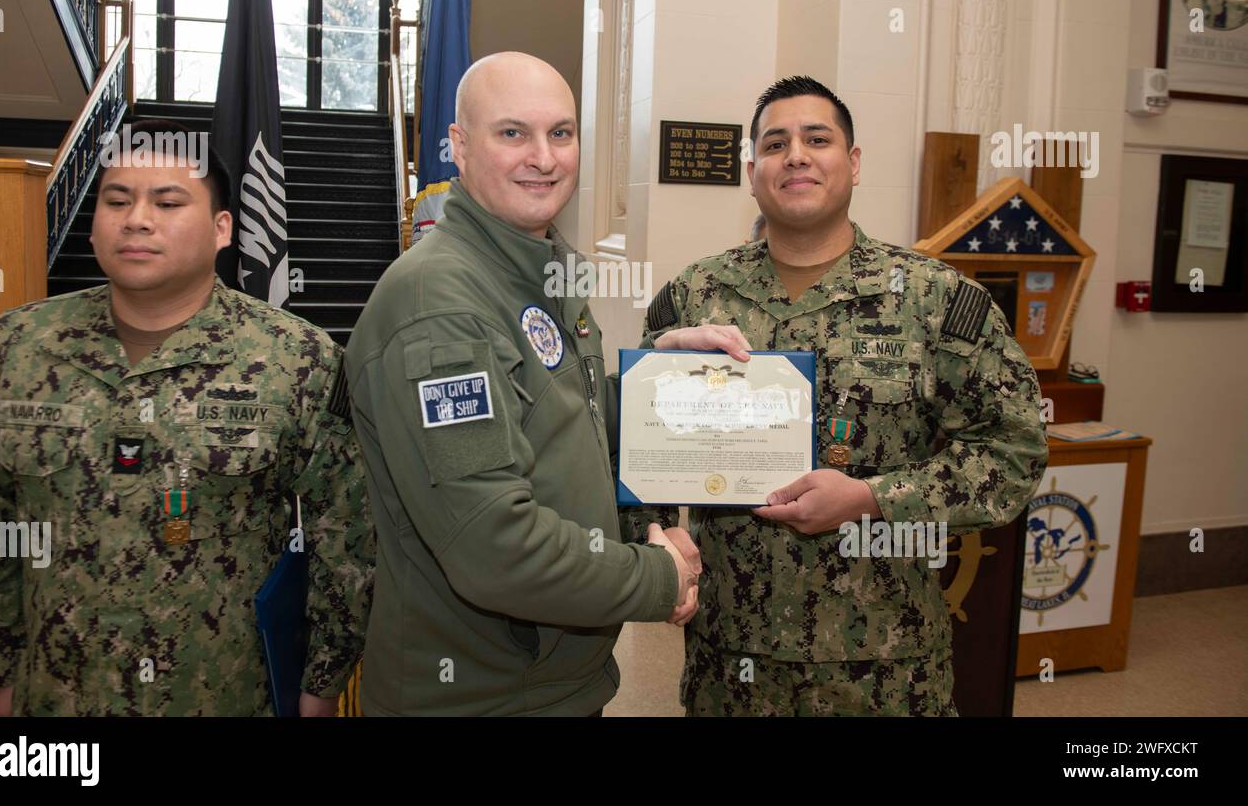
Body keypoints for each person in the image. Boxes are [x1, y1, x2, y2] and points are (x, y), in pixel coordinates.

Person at [636, 76, 1048, 716]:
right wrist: (656, 542)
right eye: (775, 143)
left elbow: (1015, 452)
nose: (795, 154)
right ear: (753, 172)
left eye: (817, 139)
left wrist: (871, 499)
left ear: (853, 164)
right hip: (731, 666)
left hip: (884, 670)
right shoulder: (693, 298)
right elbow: (639, 448)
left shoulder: (934, 300)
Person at [0, 119, 373, 716]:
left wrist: (321, 684)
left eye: (167, 202)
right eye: (116, 199)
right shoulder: (7, 353)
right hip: (58, 701)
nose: (137, 218)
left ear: (223, 227)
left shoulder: (296, 360)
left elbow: (346, 536)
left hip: (224, 693)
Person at [345, 52, 700, 716]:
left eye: (561, 133)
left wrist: (668, 380)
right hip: (479, 696)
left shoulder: (531, 268)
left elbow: (567, 418)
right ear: (457, 146)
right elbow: (493, 547)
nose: (543, 156)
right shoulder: (442, 307)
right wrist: (656, 577)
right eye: (512, 133)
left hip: (548, 684)